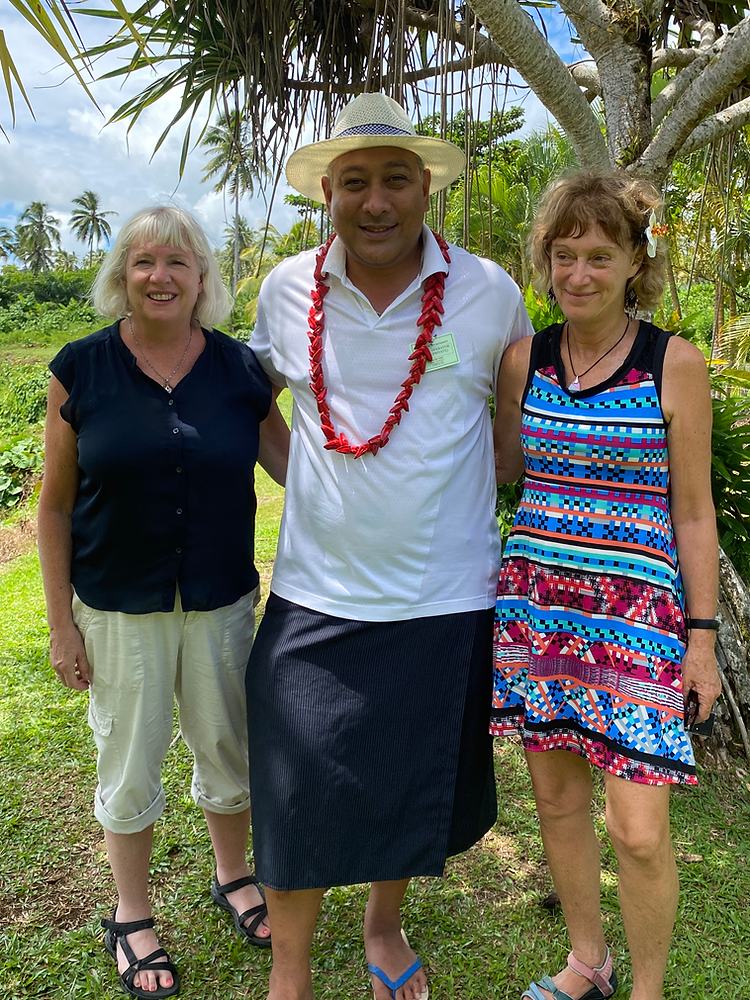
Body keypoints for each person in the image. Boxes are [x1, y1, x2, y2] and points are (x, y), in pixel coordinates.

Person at [244, 91, 534, 1000]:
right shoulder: (285, 289)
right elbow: (252, 402)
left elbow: (515, 437)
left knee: (403, 777)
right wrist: (312, 480)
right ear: (328, 192)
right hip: (314, 592)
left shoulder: (489, 292)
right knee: (294, 791)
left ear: (427, 188)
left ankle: (383, 923)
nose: (376, 202)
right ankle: (290, 976)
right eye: (356, 182)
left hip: (446, 596)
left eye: (397, 179)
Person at [37, 206, 290, 999]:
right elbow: (54, 506)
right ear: (122, 273)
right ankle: (132, 914)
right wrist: (60, 626)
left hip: (221, 603)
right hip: (118, 609)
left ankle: (233, 874)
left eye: (178, 262)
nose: (160, 276)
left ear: (202, 277)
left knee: (228, 747)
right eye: (144, 261)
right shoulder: (80, 368)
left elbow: (300, 471)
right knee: (129, 758)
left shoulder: (240, 371)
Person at [491, 171, 721, 1000]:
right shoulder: (525, 359)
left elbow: (693, 512)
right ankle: (588, 962)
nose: (578, 273)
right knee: (556, 804)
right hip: (541, 610)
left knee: (641, 832)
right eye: (564, 255)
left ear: (635, 262)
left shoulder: (673, 362)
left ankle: (648, 990)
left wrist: (702, 639)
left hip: (638, 622)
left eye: (599, 255)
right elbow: (501, 469)